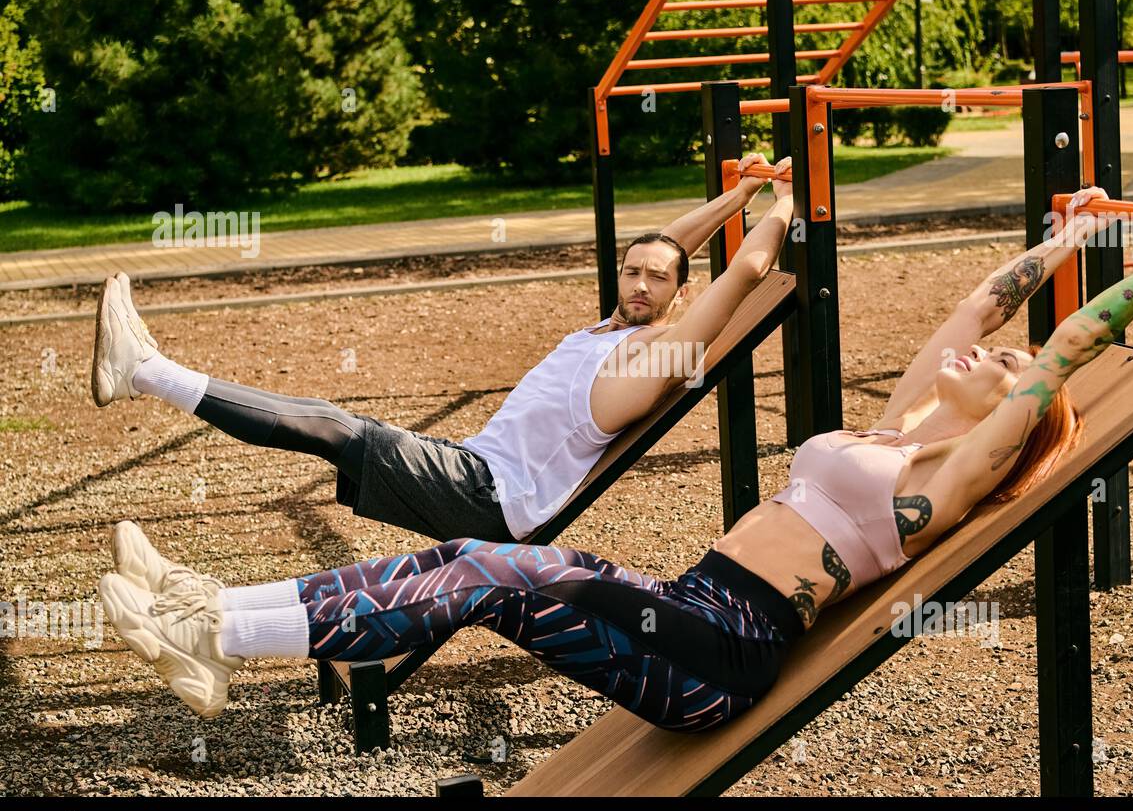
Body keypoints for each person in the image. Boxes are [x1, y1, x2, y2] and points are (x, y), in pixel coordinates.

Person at [97, 188, 1133, 732]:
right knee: (476, 565)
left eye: (996, 361)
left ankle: (207, 627)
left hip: (724, 651)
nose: (978, 345)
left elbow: (1064, 348)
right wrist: (1069, 233)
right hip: (687, 606)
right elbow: (985, 301)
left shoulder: (945, 478)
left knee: (487, 565)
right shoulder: (900, 428)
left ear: (1011, 411)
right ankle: (208, 623)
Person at [90, 153, 790, 543]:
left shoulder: (655, 356)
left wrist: (788, 199)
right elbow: (671, 247)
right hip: (474, 470)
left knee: (333, 426)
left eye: (654, 280)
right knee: (330, 421)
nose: (638, 282)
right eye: (630, 271)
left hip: (489, 499)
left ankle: (145, 371)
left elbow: (746, 272)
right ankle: (145, 370)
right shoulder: (617, 325)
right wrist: (742, 192)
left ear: (680, 294)